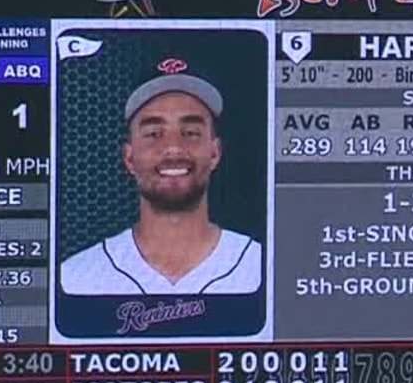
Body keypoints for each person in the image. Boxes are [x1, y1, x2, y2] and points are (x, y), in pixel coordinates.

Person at [59, 57, 263, 295]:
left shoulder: (264, 268)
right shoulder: (76, 278)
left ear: (215, 152)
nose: (173, 148)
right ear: (129, 158)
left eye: (191, 132)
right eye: (154, 133)